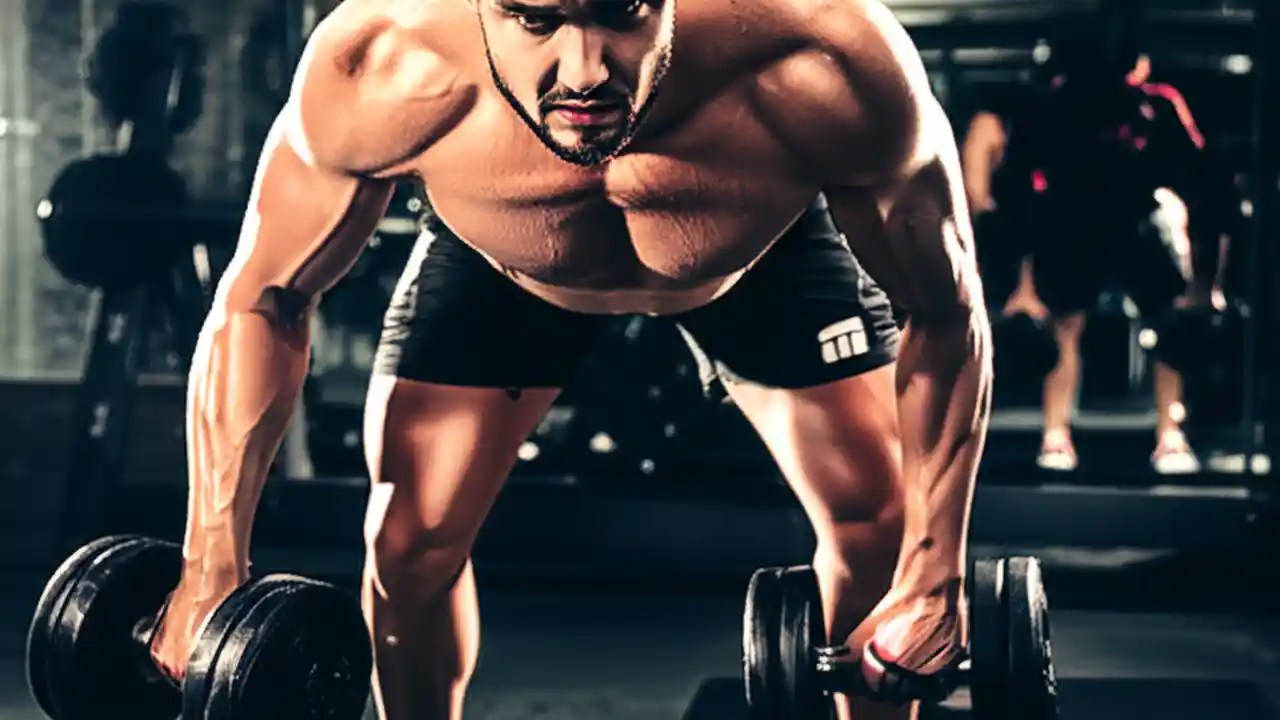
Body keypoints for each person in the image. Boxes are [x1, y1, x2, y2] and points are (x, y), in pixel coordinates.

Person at [148, 1, 992, 719]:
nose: (583, 69)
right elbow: (262, 298)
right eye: (535, 17)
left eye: (622, 11)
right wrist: (209, 565)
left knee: (878, 521)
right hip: (501, 265)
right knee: (408, 542)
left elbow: (946, 310)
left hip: (757, 258)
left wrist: (935, 569)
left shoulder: (821, 52)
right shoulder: (380, 59)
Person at [971, 12, 1219, 475]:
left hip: (1138, 223)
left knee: (1169, 326)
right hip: (1072, 224)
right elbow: (1018, 196)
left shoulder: (1156, 105)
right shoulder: (1053, 108)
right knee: (1066, 326)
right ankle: (1056, 435)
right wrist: (1024, 285)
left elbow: (1200, 180)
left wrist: (1204, 281)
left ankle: (1171, 434)